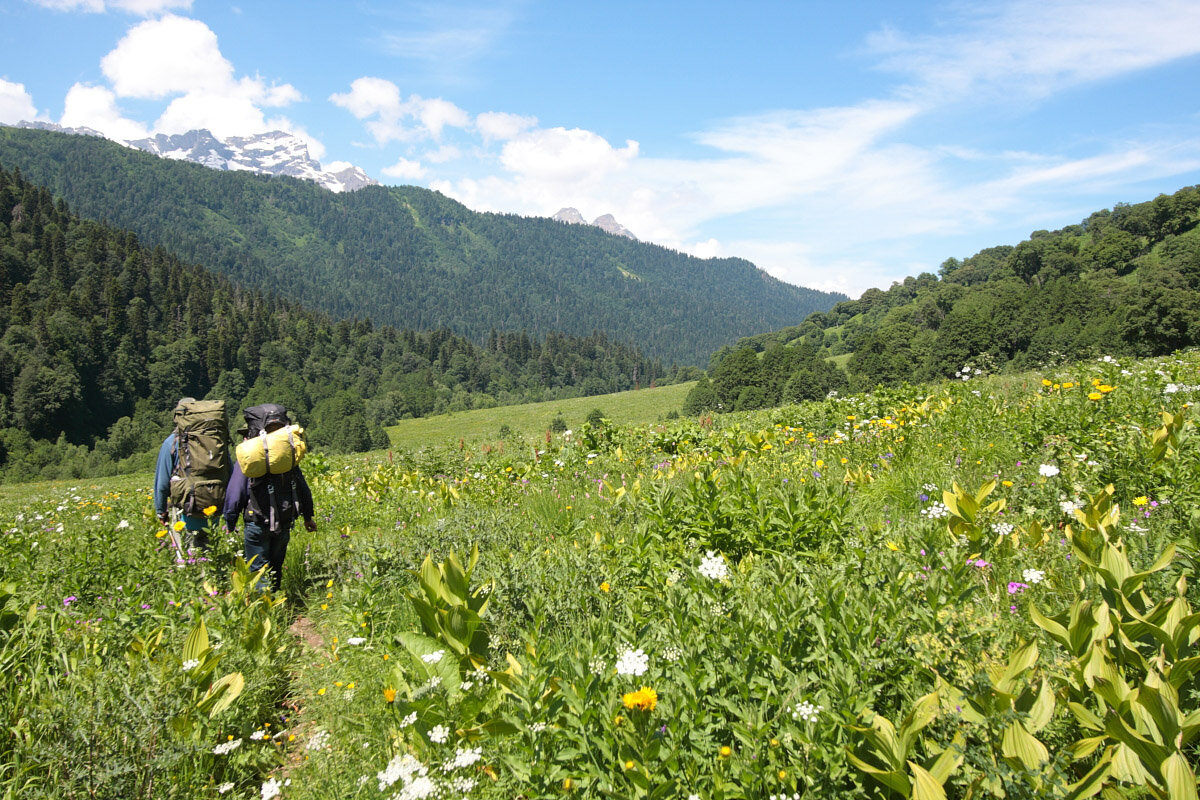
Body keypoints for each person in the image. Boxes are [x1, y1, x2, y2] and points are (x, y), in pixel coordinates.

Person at [223, 404, 317, 591]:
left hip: (256, 522)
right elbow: (303, 488)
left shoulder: (250, 457)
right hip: (284, 520)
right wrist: (308, 516)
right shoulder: (286, 457)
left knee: (258, 570)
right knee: (276, 567)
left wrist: (230, 522)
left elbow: (235, 494)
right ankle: (277, 604)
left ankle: (265, 612)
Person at [153, 397, 229, 551]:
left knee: (188, 558)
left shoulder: (172, 443)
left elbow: (162, 484)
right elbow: (229, 471)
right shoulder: (217, 440)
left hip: (186, 511)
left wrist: (161, 512)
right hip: (213, 509)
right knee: (210, 554)